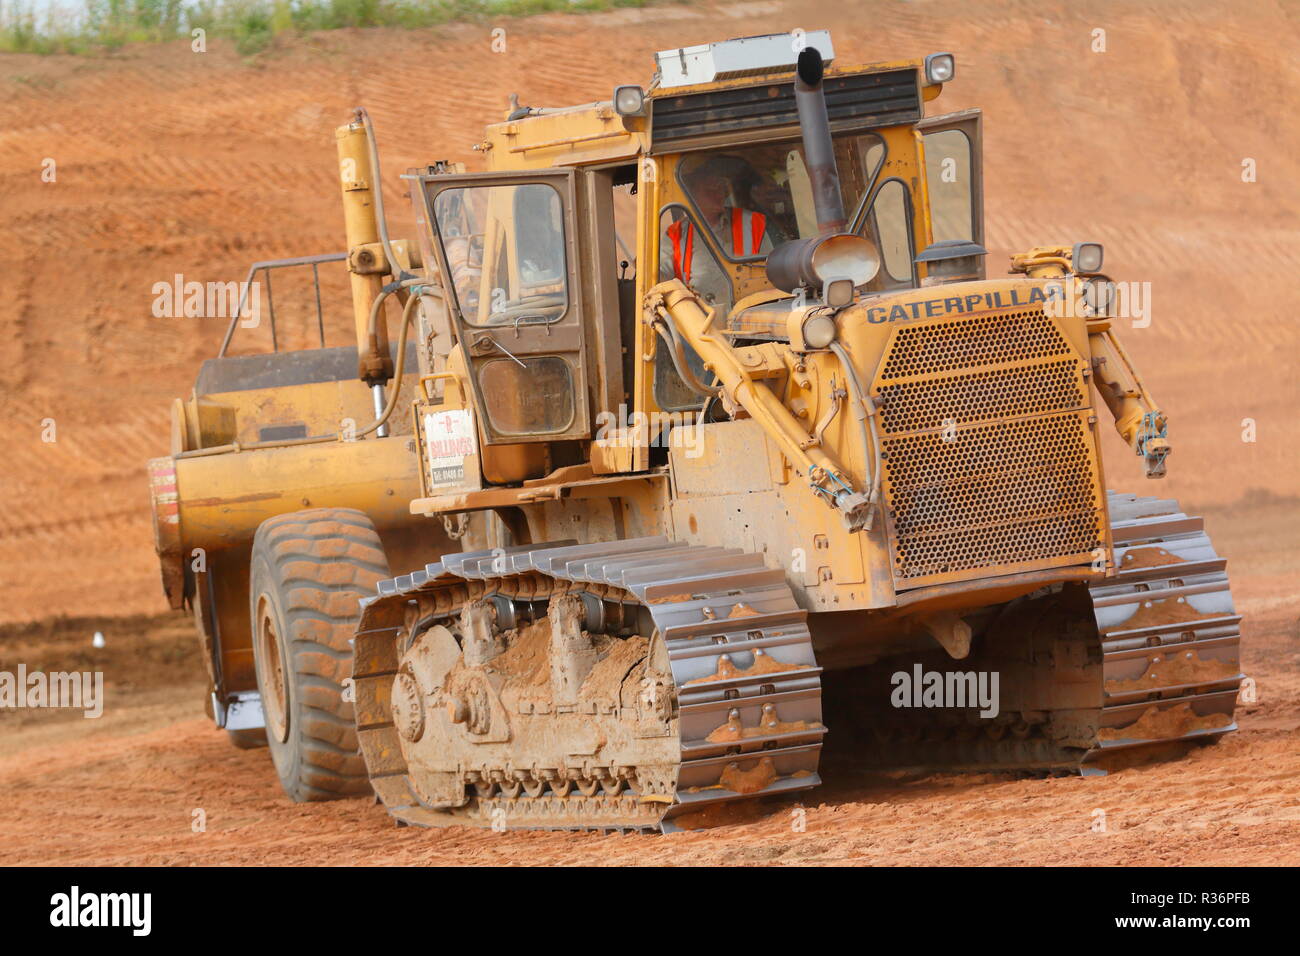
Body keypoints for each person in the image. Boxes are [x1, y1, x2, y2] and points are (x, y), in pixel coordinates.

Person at [661, 156, 774, 293]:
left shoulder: (752, 223)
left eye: (721, 187)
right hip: (700, 313)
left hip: (751, 309)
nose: (719, 194)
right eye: (710, 190)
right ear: (691, 193)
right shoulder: (676, 235)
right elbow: (660, 277)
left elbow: (772, 271)